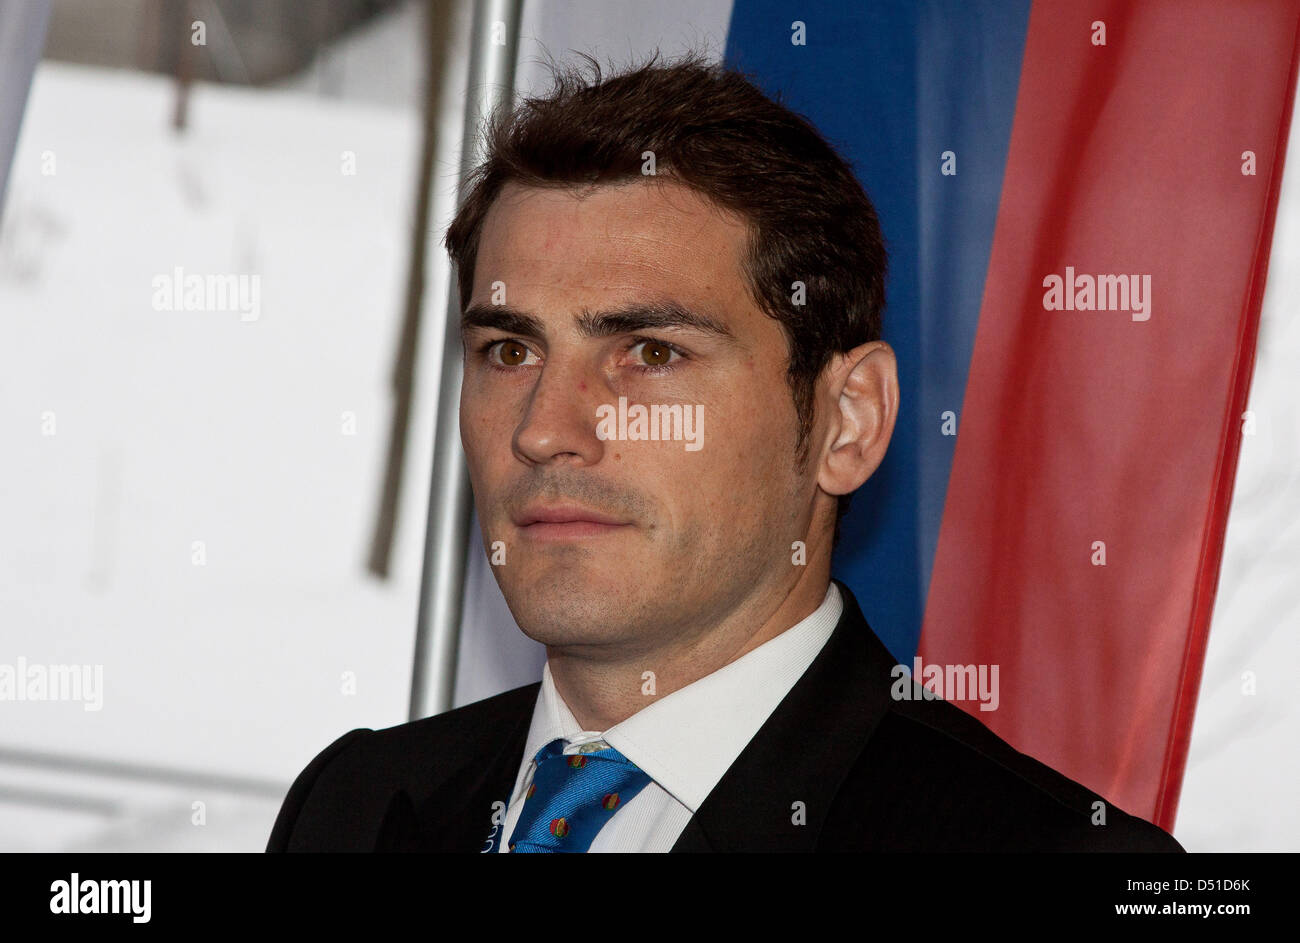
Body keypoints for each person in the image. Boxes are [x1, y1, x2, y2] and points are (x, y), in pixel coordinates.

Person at [267, 53, 1183, 852]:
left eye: (651, 353)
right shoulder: (354, 807)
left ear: (846, 421)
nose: (545, 428)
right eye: (510, 351)